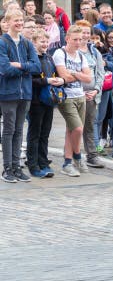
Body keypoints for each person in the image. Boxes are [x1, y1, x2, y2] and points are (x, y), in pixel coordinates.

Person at [0, 9, 41, 183]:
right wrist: (26, 68)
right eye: (15, 20)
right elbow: (5, 69)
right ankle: (7, 168)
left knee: (19, 131)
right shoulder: (2, 42)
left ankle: (17, 167)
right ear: (7, 22)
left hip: (25, 94)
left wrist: (19, 65)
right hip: (8, 94)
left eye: (20, 20)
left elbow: (37, 67)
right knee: (9, 131)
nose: (18, 23)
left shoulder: (26, 43)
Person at [53, 26, 94, 177]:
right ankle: (77, 155)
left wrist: (74, 73)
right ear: (67, 38)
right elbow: (64, 76)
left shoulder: (81, 56)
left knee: (71, 130)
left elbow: (89, 78)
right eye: (75, 39)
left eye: (80, 39)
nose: (78, 42)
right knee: (77, 129)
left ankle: (67, 163)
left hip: (80, 95)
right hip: (66, 96)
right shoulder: (60, 53)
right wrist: (78, 75)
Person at [26, 29, 61, 178]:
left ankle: (43, 162)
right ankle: (33, 165)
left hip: (48, 101)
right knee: (35, 134)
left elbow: (55, 75)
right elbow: (29, 81)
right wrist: (46, 81)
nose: (45, 44)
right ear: (34, 43)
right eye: (41, 41)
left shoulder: (49, 58)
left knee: (45, 133)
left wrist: (59, 80)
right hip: (35, 102)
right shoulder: (31, 59)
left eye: (46, 41)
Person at [76, 21, 105, 169]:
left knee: (90, 126)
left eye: (88, 32)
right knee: (74, 127)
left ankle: (92, 156)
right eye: (83, 32)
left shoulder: (95, 52)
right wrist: (80, 91)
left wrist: (96, 90)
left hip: (92, 96)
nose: (86, 35)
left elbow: (100, 73)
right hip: (75, 95)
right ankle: (72, 156)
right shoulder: (72, 51)